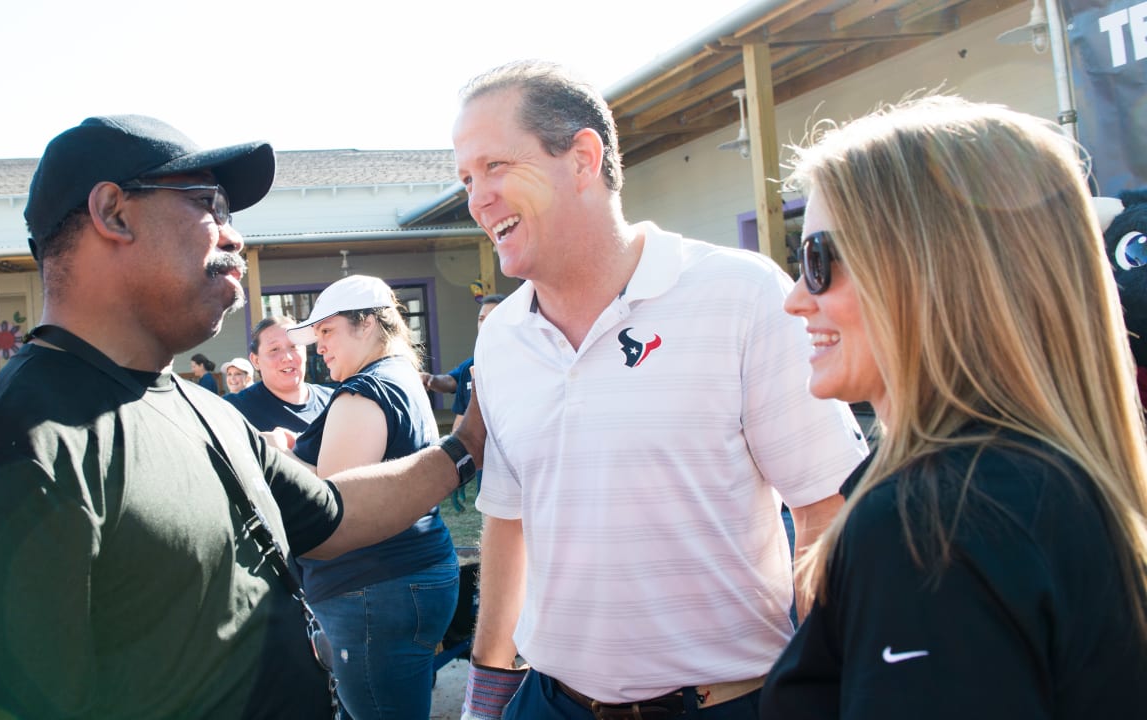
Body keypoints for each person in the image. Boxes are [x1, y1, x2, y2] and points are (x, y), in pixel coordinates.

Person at [0, 114, 486, 720]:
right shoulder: (9, 458)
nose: (233, 236)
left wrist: (469, 442)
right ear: (114, 214)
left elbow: (335, 514)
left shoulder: (207, 411)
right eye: (210, 204)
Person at [452, 61, 868, 719]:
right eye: (467, 179)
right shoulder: (502, 337)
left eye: (496, 167)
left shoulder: (742, 294)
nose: (477, 198)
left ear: (584, 158)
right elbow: (508, 518)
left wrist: (825, 688)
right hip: (548, 704)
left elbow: (823, 511)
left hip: (723, 705)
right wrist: (487, 693)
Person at [763, 97, 1147, 718]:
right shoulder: (1046, 481)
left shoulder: (932, 525)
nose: (795, 301)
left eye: (816, 262)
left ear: (928, 270)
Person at [280, 274, 458, 720]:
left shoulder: (365, 390)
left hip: (370, 590)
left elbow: (335, 505)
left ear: (367, 324)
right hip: (404, 578)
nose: (318, 346)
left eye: (326, 331)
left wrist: (272, 455)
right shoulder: (400, 377)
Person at [225, 316, 332, 433]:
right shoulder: (233, 409)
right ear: (256, 361)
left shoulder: (333, 401)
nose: (287, 357)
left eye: (294, 346)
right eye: (274, 349)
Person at [423, 293, 505, 429]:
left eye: (491, 318)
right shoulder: (471, 365)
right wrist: (429, 379)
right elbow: (451, 381)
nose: (484, 324)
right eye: (481, 319)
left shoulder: (521, 363)